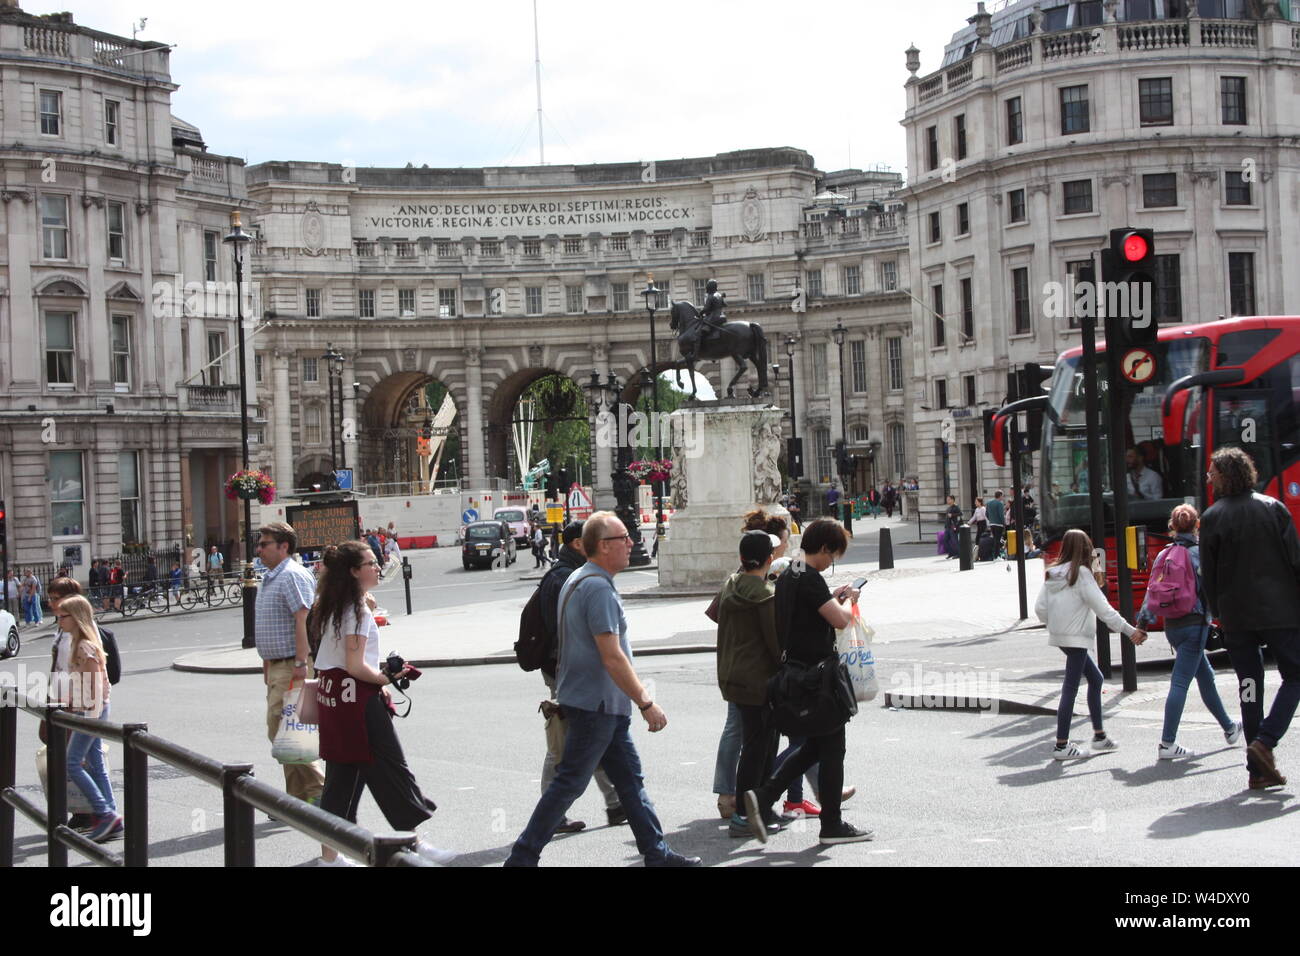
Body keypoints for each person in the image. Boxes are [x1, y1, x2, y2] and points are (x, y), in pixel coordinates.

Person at [505, 511, 700, 866]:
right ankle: (522, 856)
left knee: (629, 782)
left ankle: (657, 854)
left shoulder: (578, 579)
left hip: (597, 703)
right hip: (596, 705)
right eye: (624, 538)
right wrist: (645, 701)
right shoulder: (597, 589)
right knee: (570, 783)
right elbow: (612, 657)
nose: (632, 543)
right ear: (603, 546)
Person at [310, 541, 442, 866]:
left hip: (333, 698)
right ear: (354, 572)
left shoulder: (333, 604)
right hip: (356, 700)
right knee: (392, 768)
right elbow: (356, 667)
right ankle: (413, 843)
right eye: (370, 563)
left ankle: (331, 857)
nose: (378, 566)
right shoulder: (355, 610)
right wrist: (386, 679)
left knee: (341, 780)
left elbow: (339, 657)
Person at [743, 518, 871, 845]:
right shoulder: (810, 577)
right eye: (834, 556)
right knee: (830, 746)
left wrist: (832, 594)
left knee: (819, 746)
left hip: (797, 674)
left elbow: (807, 610)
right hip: (818, 678)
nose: (832, 563)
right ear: (825, 548)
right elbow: (839, 620)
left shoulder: (791, 573)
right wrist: (849, 598)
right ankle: (830, 825)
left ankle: (769, 797)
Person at [1200, 447, 1300, 790]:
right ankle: (1266, 741)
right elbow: (1295, 562)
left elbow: (1208, 577)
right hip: (1281, 610)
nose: (1208, 477)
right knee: (1296, 675)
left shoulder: (1212, 517)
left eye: (1212, 472)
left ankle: (1256, 771)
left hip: (1237, 615)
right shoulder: (1274, 508)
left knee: (1249, 688)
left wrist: (1217, 613)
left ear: (1227, 476)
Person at [535, 521, 625, 832]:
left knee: (591, 738)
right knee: (563, 742)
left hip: (572, 670)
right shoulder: (567, 578)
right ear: (578, 544)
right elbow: (564, 632)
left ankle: (616, 802)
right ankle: (553, 812)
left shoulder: (569, 575)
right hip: (567, 671)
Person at [1136, 504, 1242, 760]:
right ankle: (1167, 743)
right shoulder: (1198, 554)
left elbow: (1153, 592)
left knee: (1205, 677)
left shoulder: (1164, 555)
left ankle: (1229, 728)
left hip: (1173, 627)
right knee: (1180, 683)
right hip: (1194, 625)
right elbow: (1209, 589)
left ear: (1172, 527)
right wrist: (1222, 616)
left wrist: (1142, 624)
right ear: (1197, 526)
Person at [1034, 528, 1145, 760]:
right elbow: (1104, 610)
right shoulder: (1082, 574)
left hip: (1061, 636)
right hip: (1076, 638)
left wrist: (1055, 623)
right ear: (1086, 549)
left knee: (1096, 678)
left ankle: (1100, 735)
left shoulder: (1052, 573)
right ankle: (1062, 745)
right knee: (1070, 689)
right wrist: (1130, 630)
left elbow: (1040, 609)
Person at [716, 531, 785, 839]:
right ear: (769, 557)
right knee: (760, 747)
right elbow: (775, 644)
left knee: (757, 744)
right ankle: (746, 813)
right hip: (759, 680)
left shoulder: (731, 585)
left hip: (734, 675)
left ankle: (758, 808)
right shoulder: (765, 595)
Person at [253, 522, 326, 805]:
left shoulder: (292, 575)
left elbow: (303, 619)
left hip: (291, 664)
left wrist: (299, 662)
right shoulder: (271, 576)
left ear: (284, 546)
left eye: (264, 544)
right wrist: (267, 664)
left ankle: (319, 791)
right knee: (287, 731)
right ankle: (298, 797)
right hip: (276, 664)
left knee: (283, 728)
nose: (259, 549)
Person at [51, 595, 123, 842]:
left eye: (63, 616)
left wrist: (83, 715)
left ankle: (104, 812)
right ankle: (111, 816)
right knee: (96, 764)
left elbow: (96, 687)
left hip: (91, 711)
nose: (59, 621)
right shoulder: (79, 643)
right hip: (90, 709)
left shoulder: (84, 646)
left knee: (71, 762)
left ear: (76, 618)